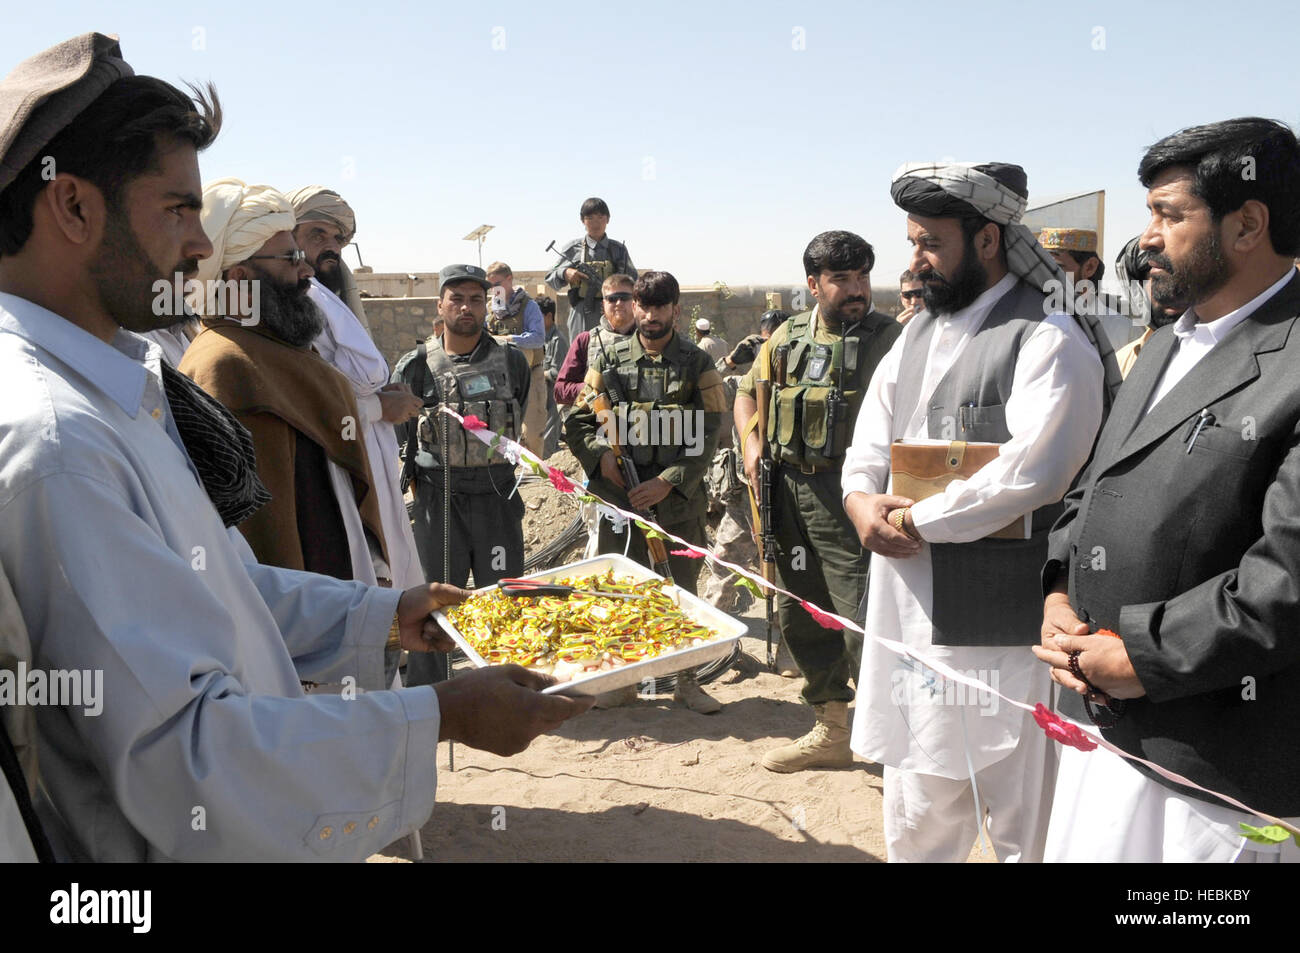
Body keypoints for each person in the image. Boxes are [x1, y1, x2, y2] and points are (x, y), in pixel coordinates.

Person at [0, 33, 589, 861]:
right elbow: (190, 760)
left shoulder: (114, 386)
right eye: (176, 209)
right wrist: (443, 716)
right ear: (72, 207)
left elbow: (220, 588)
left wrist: (384, 613)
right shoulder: (59, 439)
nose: (201, 244)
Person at [1035, 117, 1300, 863]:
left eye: (1168, 214)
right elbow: (1096, 484)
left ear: (1248, 224)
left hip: (1219, 776)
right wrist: (1059, 587)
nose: (1146, 236)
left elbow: (1284, 583)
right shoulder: (1168, 341)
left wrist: (1142, 657)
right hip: (1112, 741)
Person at [840, 162, 1109, 862]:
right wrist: (859, 498)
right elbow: (871, 434)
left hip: (1005, 635)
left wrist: (914, 523)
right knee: (921, 817)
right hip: (911, 621)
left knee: (1028, 830)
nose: (916, 258)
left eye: (930, 241)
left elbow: (1035, 471)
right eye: (912, 241)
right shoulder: (918, 332)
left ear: (987, 240)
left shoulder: (1049, 335)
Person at [734, 231, 901, 772]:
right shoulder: (786, 336)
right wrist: (751, 444)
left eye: (862, 277)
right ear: (813, 284)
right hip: (787, 490)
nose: (856, 290)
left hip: (849, 495)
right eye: (841, 279)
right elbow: (745, 394)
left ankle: (892, 740)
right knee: (801, 609)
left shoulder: (890, 339)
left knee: (861, 615)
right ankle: (831, 727)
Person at [180, 178, 390, 586]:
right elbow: (263, 540)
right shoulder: (225, 366)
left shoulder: (277, 348)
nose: (306, 269)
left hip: (342, 597)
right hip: (304, 614)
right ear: (240, 278)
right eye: (291, 256)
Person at [565, 270, 727, 713]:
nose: (651, 315)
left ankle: (687, 681)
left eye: (660, 306)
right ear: (634, 306)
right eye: (643, 305)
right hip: (621, 504)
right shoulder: (609, 361)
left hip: (677, 505)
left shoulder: (698, 365)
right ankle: (620, 681)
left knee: (683, 593)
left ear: (676, 309)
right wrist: (601, 457)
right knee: (621, 591)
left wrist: (666, 482)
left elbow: (709, 435)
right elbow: (578, 421)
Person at [393, 264, 531, 687]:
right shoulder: (415, 366)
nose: (467, 307)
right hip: (439, 502)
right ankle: (428, 695)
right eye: (457, 298)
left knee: (504, 597)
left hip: (497, 499)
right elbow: (402, 434)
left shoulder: (510, 360)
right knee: (432, 604)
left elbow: (518, 411)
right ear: (440, 305)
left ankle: (506, 689)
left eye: (476, 298)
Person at [287, 184, 425, 591]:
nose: (331, 248)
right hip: (331, 466)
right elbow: (305, 400)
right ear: (287, 238)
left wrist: (381, 394)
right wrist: (378, 408)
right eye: (317, 235)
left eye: (338, 238)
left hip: (367, 454)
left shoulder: (327, 298)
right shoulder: (292, 303)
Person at [546, 197, 636, 343]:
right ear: (583, 220)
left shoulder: (618, 250)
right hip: (581, 313)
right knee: (581, 354)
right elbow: (550, 277)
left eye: (600, 217)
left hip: (613, 310)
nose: (596, 223)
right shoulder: (573, 249)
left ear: (608, 219)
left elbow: (633, 281)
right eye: (590, 218)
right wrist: (565, 273)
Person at [1038, 226, 1141, 351]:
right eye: (1042, 269)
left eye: (1057, 268)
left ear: (1089, 267)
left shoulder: (1125, 332)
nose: (1045, 278)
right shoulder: (1034, 323)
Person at [486, 261, 547, 457]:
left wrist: (509, 340)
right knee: (500, 431)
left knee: (533, 431)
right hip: (501, 376)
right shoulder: (492, 309)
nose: (494, 289)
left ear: (509, 279)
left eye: (497, 283)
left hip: (530, 373)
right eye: (491, 285)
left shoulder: (528, 306)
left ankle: (537, 473)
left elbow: (538, 338)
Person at [553, 273, 638, 408]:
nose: (619, 303)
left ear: (635, 302)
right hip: (598, 423)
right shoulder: (585, 340)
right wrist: (594, 388)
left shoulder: (648, 339)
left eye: (625, 297)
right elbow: (560, 390)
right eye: (612, 299)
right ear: (604, 304)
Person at [1111, 235, 1186, 377]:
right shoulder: (1122, 362)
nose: (1172, 291)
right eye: (1159, 280)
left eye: (1181, 278)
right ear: (1140, 288)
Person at [539, 294, 568, 458]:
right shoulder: (540, 338)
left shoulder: (558, 341)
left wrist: (538, 374)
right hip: (541, 398)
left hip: (554, 400)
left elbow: (558, 373)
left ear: (549, 316)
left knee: (547, 446)